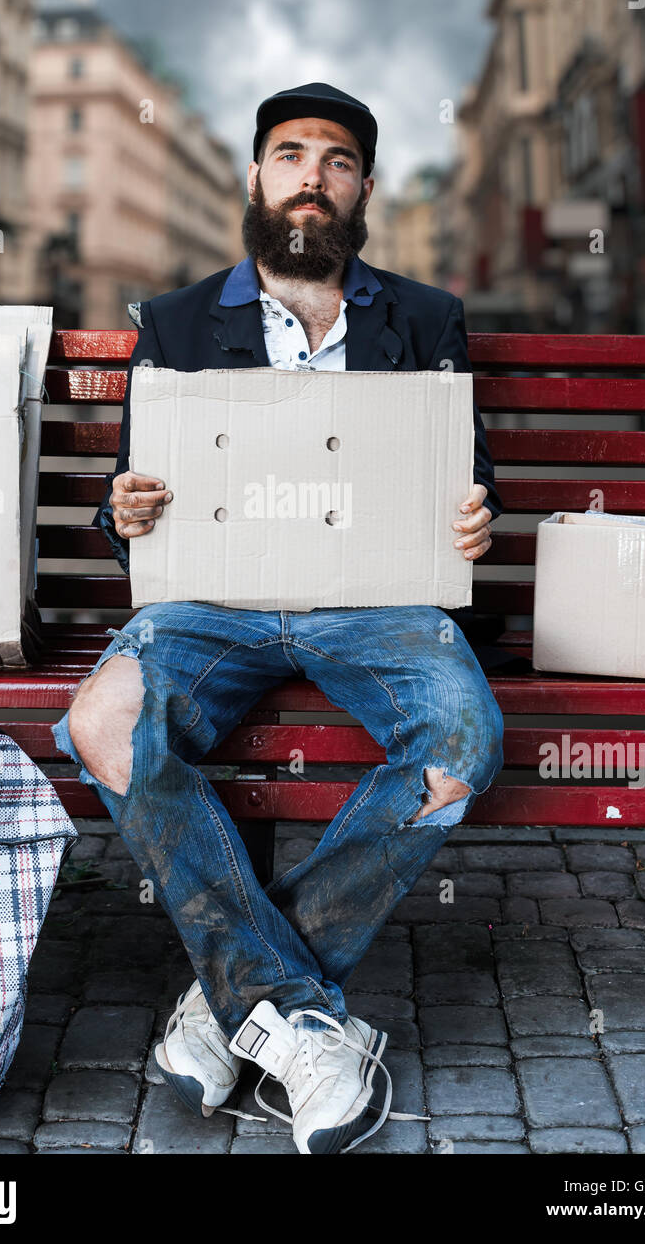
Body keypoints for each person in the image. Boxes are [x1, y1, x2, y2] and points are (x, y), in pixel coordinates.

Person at [51, 82, 506, 1154]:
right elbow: (130, 505)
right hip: (213, 600)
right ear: (255, 177)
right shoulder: (171, 322)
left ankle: (231, 1005)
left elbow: (465, 482)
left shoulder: (424, 320)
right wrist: (121, 512)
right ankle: (293, 1016)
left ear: (359, 189)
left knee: (459, 743)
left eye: (337, 159)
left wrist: (475, 517)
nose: (312, 173)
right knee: (103, 720)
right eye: (290, 153)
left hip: (376, 601)